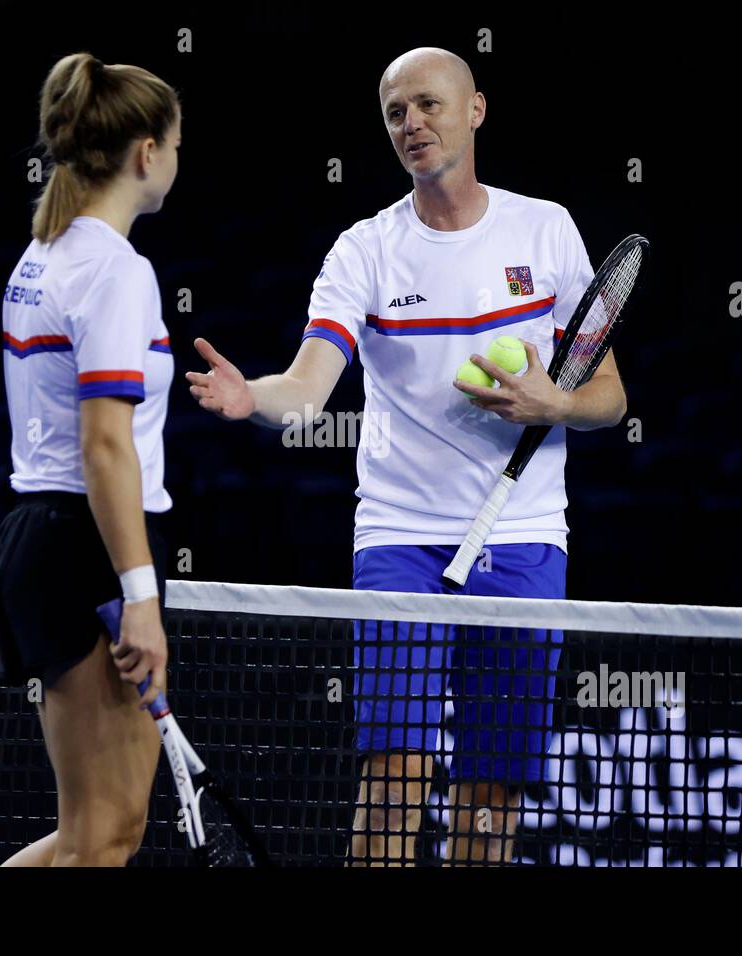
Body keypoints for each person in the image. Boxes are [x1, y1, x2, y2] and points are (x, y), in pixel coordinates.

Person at [187, 47, 626, 864]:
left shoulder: (546, 229)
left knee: (491, 790)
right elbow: (308, 386)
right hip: (401, 537)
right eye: (395, 113)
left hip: (523, 535)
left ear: (475, 110)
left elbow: (611, 399)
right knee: (395, 771)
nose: (411, 124)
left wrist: (555, 403)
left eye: (427, 104)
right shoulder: (364, 251)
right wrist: (256, 399)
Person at [0, 52, 181, 867]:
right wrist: (139, 595)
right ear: (145, 152)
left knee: (98, 837)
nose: (177, 159)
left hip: (45, 539)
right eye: (175, 143)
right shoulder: (114, 269)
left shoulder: (43, 256)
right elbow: (104, 446)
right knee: (101, 840)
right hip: (88, 549)